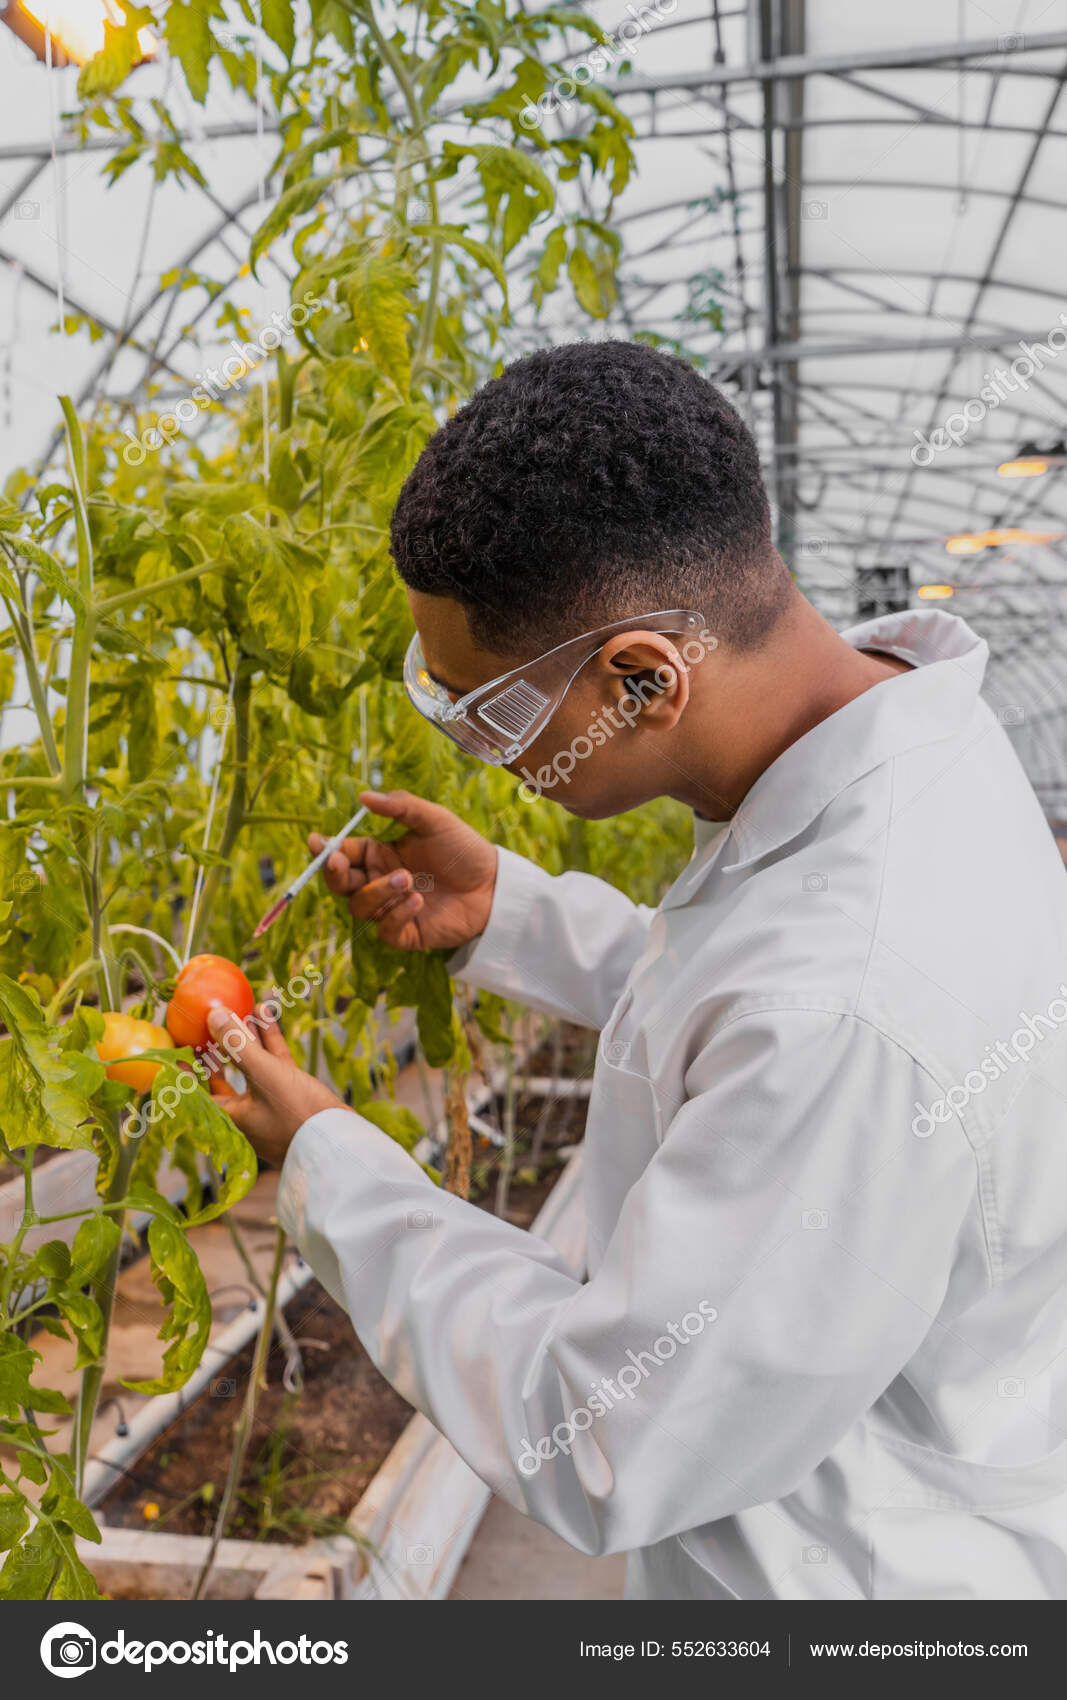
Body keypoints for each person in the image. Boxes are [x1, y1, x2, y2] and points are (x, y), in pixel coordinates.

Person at [207, 341, 1067, 1600]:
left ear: (642, 678)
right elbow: (740, 1012)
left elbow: (607, 1429)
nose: (477, 751)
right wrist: (513, 908)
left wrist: (334, 1160)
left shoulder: (850, 997)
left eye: (485, 711)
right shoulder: (892, 746)